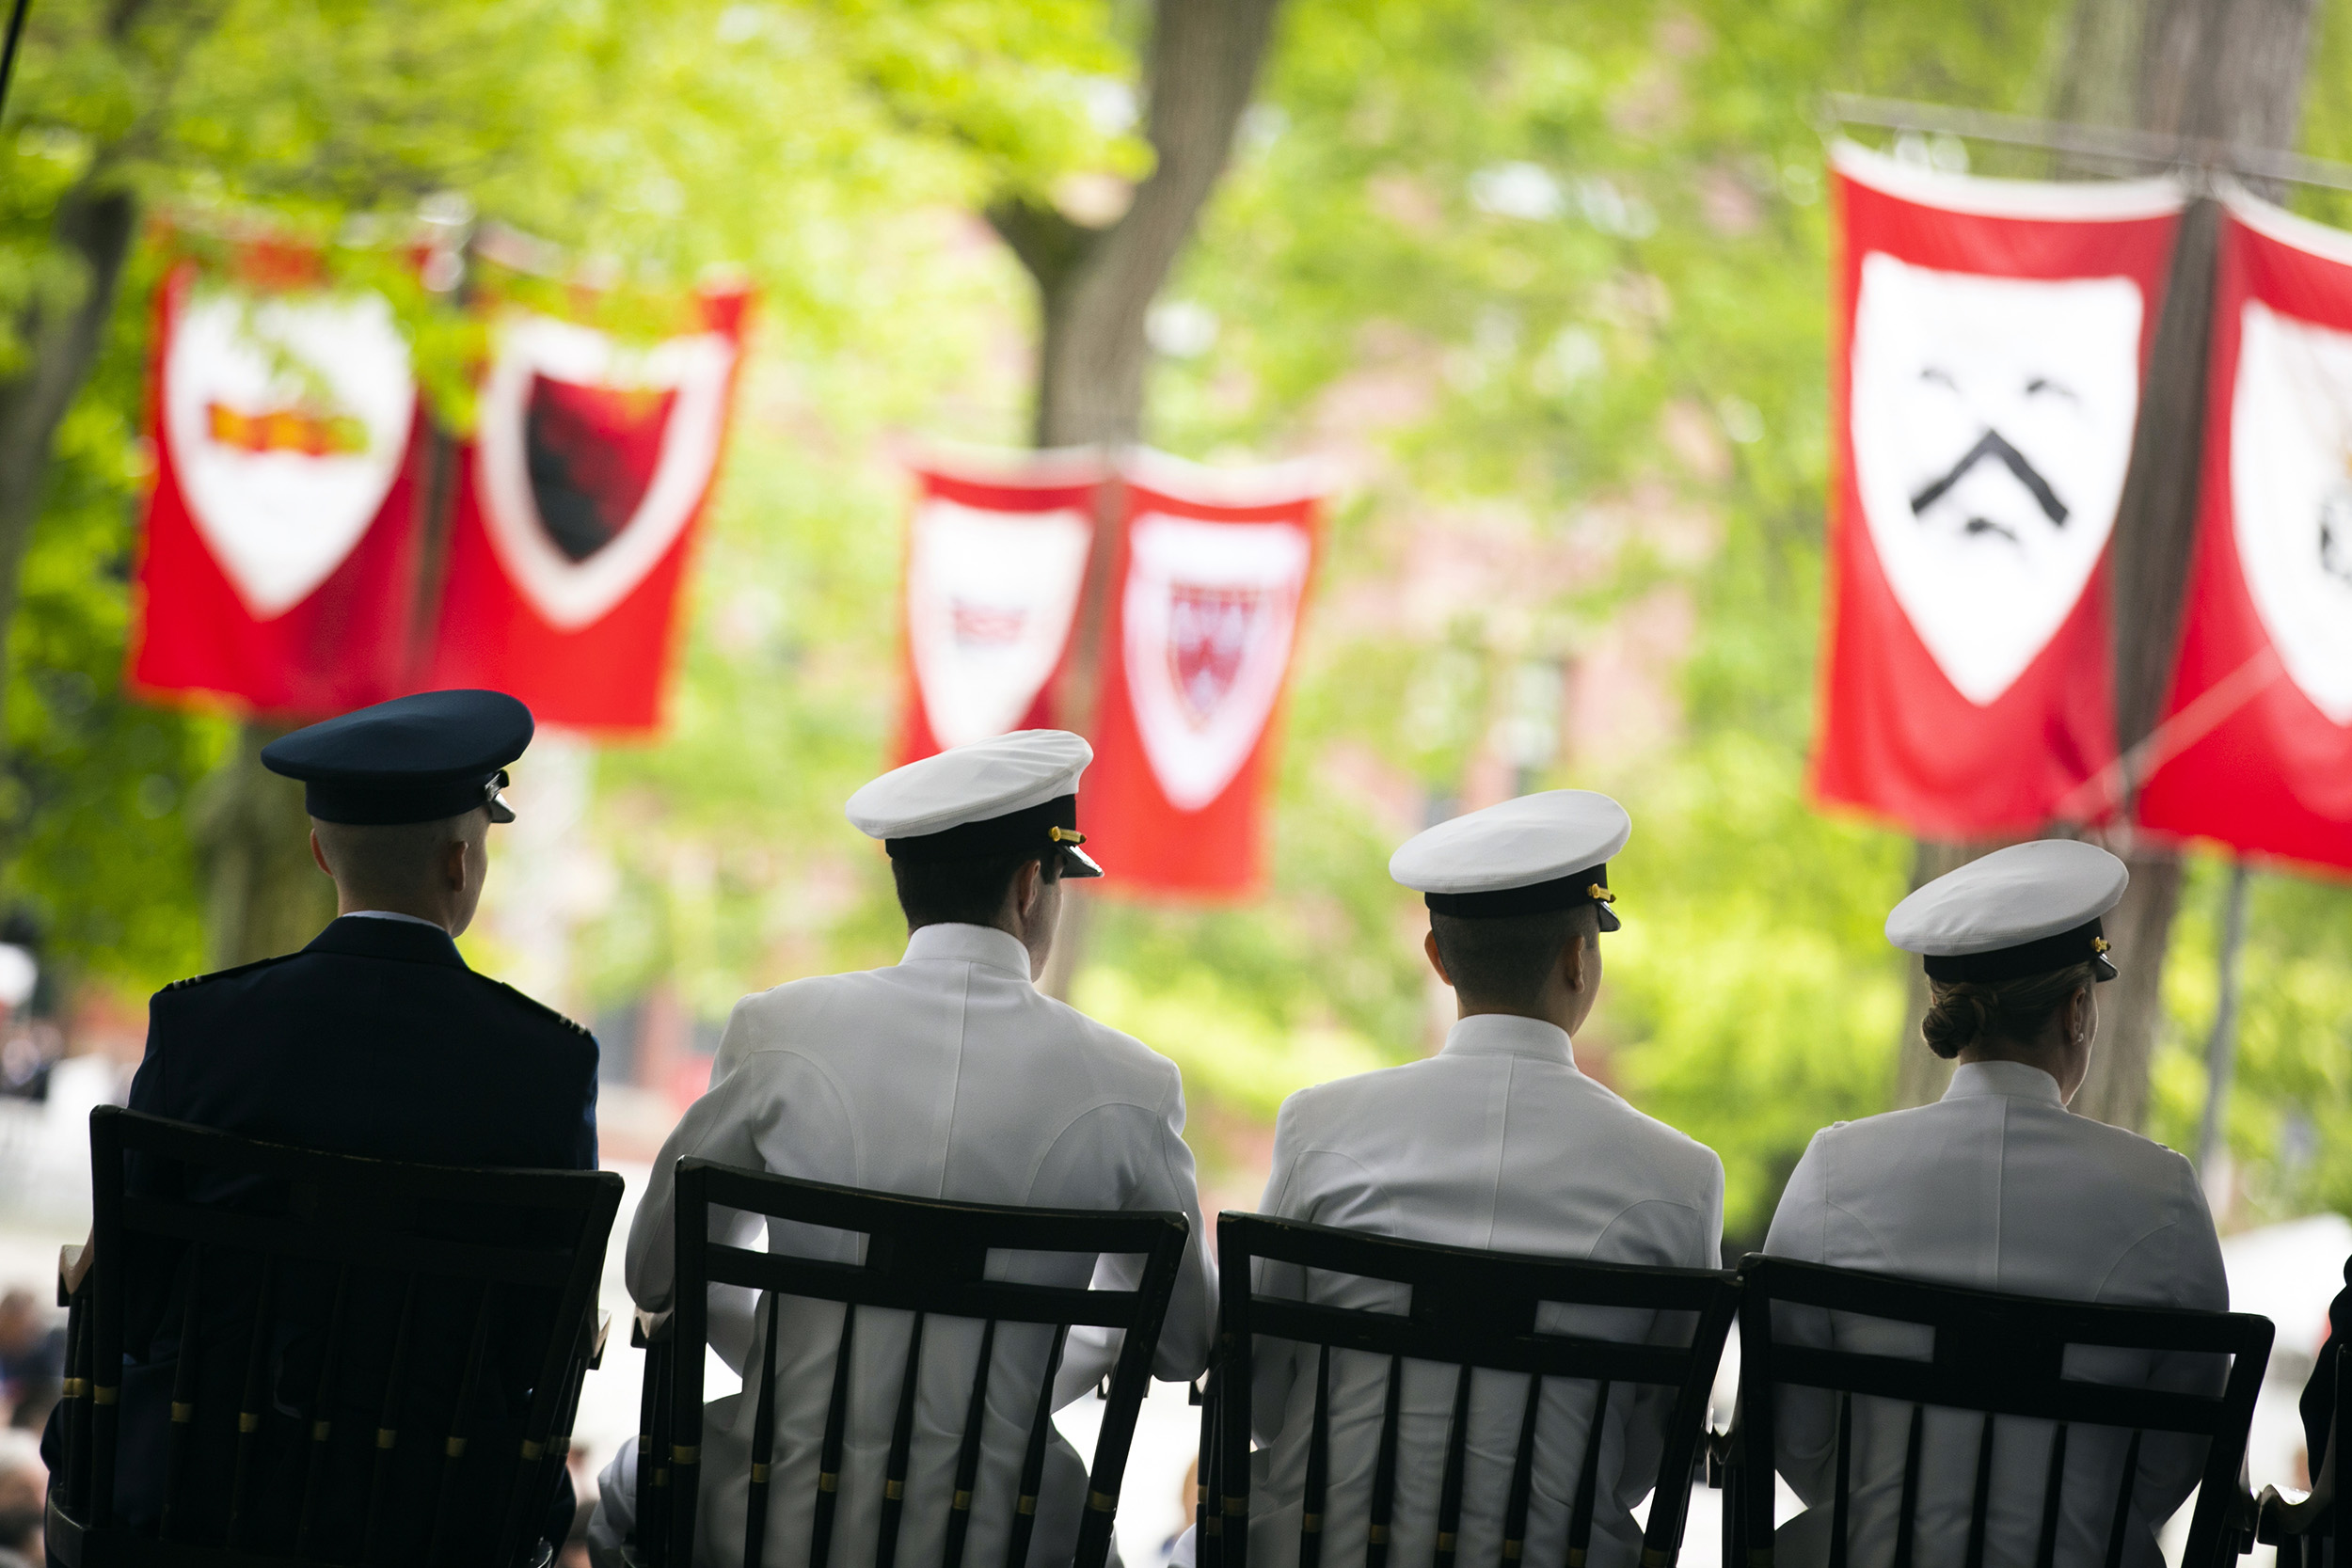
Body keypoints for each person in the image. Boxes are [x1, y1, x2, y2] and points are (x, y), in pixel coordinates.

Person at [588, 730, 1217, 1568]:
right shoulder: (1134, 1084)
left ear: (905, 883)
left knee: (630, 1492)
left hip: (763, 1519)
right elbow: (1184, 1343)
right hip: (1014, 1537)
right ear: (1034, 885)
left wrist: (796, 1359)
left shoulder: (778, 1030)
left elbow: (655, 1271)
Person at [44, 689, 600, 1560]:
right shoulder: (546, 1066)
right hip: (437, 1515)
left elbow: (132, 1287)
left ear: (317, 852)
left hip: (190, 1487)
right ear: (460, 862)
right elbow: (537, 1337)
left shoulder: (200, 1027)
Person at [1231, 791, 1724, 1568]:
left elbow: (1259, 1401)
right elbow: (1641, 1459)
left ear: (1436, 955)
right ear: (1577, 956)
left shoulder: (1318, 1127)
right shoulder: (1681, 1176)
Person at [1762, 839, 2227, 1568]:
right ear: (2078, 1010)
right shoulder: (2162, 1195)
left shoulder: (1834, 1170)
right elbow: (2175, 1453)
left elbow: (1795, 1433)